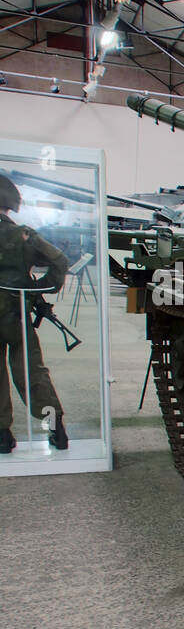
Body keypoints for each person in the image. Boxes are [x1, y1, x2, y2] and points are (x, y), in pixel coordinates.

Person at [0, 172, 69, 452]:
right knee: (32, 373)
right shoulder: (24, 235)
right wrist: (39, 288)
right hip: (17, 316)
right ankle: (57, 430)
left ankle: (2, 437)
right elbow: (59, 261)